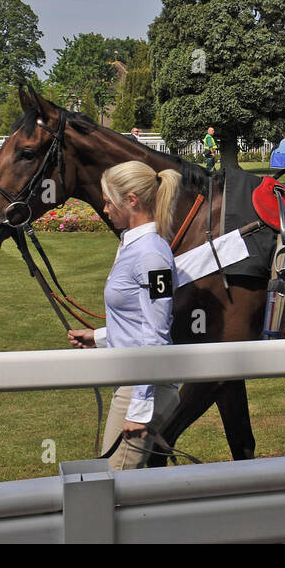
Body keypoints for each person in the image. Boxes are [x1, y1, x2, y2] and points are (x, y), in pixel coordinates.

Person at [67, 160, 182, 471]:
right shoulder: (140, 247)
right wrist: (100, 336)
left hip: (142, 387)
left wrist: (140, 408)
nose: (105, 209)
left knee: (113, 489)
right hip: (138, 382)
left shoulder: (151, 254)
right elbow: (140, 320)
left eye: (108, 201)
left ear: (132, 201)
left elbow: (156, 334)